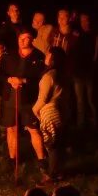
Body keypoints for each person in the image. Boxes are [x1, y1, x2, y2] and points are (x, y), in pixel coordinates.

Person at [1, 31, 47, 181]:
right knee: (11, 128)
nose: (23, 41)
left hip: (29, 100)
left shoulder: (39, 56)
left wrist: (24, 81)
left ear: (32, 40)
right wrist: (9, 79)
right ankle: (12, 159)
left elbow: (42, 78)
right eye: (21, 38)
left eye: (26, 38)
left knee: (33, 129)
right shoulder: (9, 55)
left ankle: (42, 161)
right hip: (10, 99)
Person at [34, 47, 68, 181]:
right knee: (58, 143)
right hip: (61, 110)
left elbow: (43, 99)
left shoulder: (49, 76)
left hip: (49, 111)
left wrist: (34, 110)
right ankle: (59, 172)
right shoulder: (62, 74)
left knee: (51, 144)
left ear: (53, 58)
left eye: (48, 54)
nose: (45, 56)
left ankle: (52, 175)